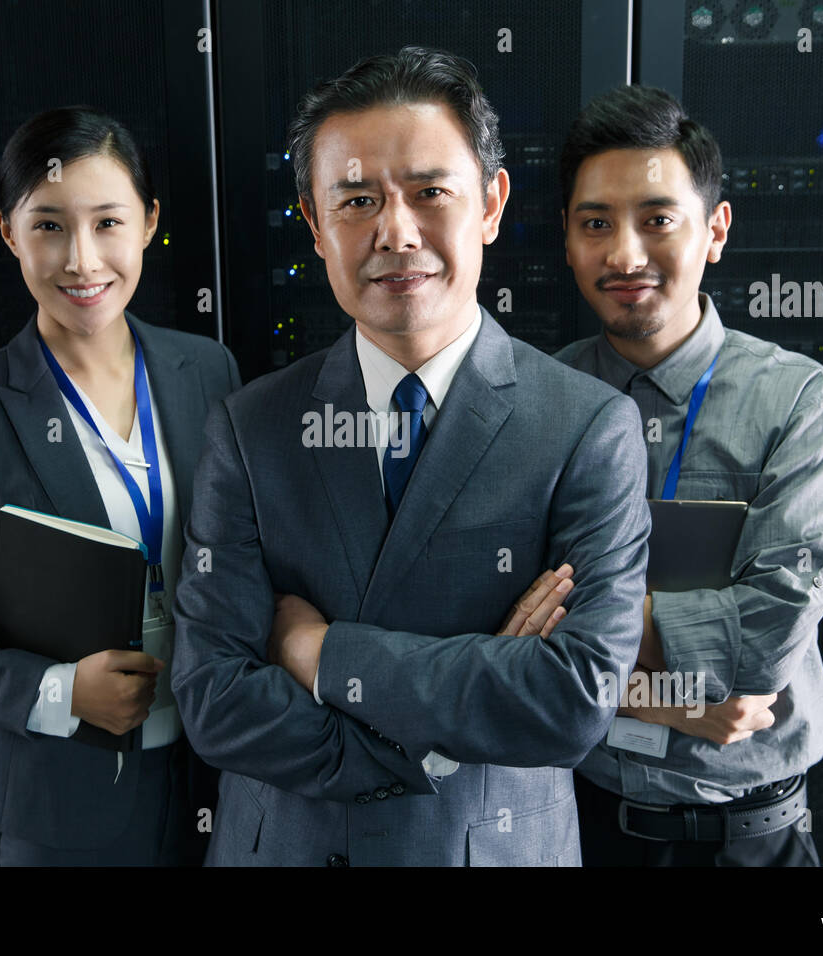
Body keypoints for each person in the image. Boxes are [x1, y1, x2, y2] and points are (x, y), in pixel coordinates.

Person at [171, 47, 650, 867]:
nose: (396, 231)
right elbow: (213, 700)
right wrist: (428, 744)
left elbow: (570, 704)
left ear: (492, 203)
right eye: (357, 199)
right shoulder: (252, 426)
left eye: (430, 192)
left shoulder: (587, 426)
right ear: (316, 226)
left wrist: (317, 654)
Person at [0, 106, 240, 866]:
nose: (82, 259)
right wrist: (60, 692)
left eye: (108, 222)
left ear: (149, 223)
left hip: (214, 778)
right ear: (9, 232)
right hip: (59, 804)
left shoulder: (207, 370)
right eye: (49, 226)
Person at [553, 85, 823, 865]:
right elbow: (488, 619)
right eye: (596, 224)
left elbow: (772, 626)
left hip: (751, 837)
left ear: (714, 230)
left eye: (657, 219)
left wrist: (586, 636)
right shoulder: (537, 400)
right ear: (568, 238)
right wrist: (665, 696)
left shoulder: (800, 400)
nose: (624, 255)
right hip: (579, 824)